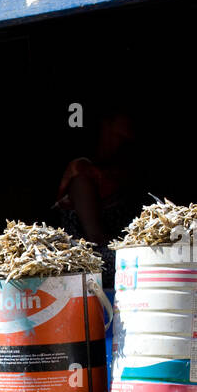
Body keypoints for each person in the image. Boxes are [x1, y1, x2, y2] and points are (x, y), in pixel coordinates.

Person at [54, 110, 145, 286]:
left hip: (113, 247)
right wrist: (136, 249)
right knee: (142, 263)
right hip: (88, 258)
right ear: (107, 122)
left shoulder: (118, 171)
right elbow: (95, 237)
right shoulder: (81, 173)